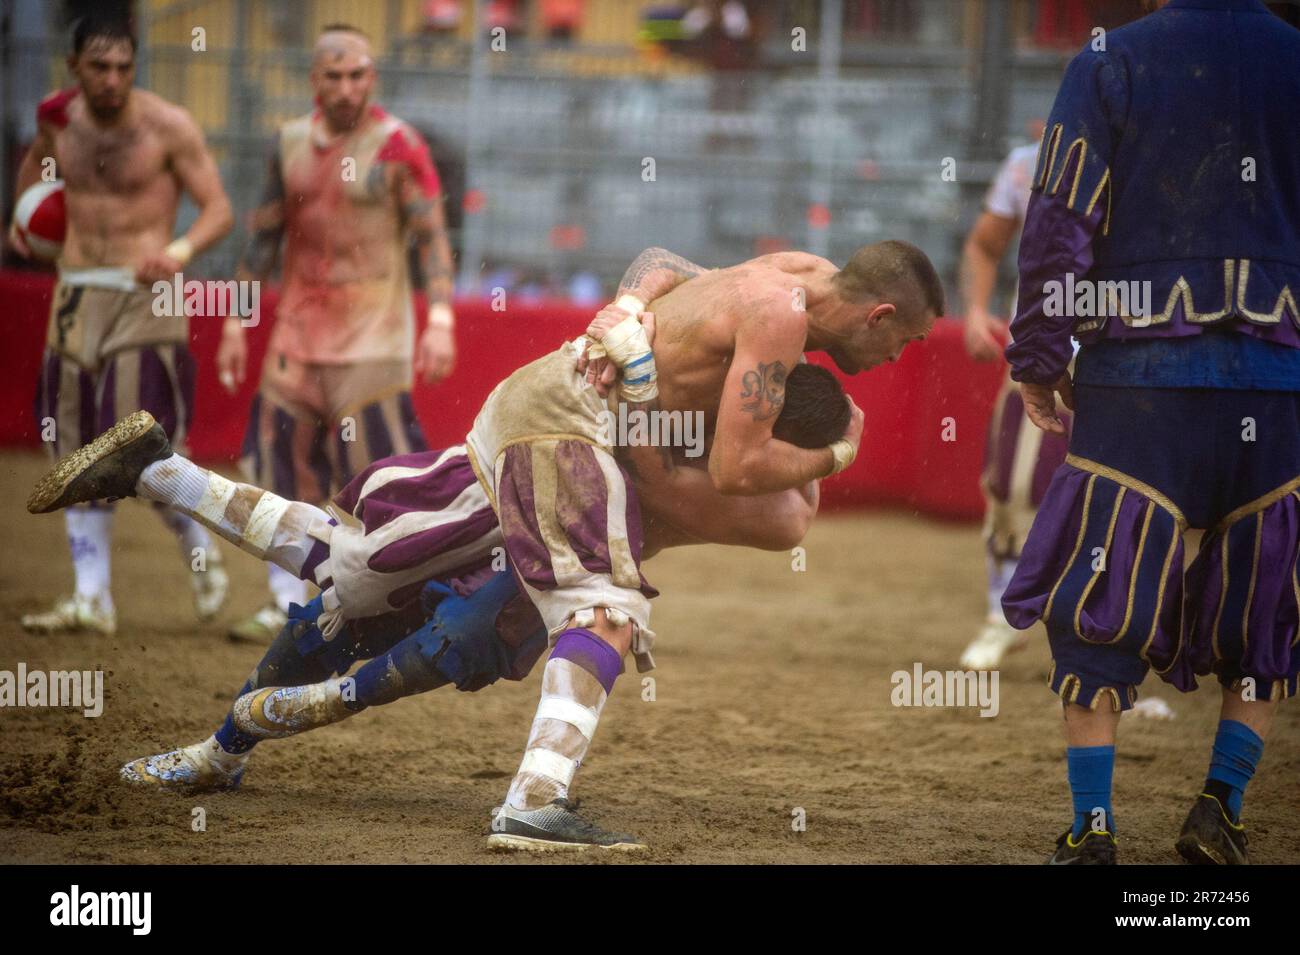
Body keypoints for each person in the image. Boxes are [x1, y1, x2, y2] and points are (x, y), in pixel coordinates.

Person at [30, 240, 944, 850]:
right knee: (593, 610)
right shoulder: (775, 350)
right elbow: (740, 470)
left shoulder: (782, 287)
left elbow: (666, 282)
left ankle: (163, 478)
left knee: (350, 566)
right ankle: (532, 801)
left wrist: (626, 317)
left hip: (529, 427)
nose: (896, 360)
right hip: (556, 459)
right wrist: (839, 447)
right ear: (874, 318)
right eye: (901, 343)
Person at [109, 363, 849, 846]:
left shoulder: (734, 468)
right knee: (347, 580)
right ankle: (232, 737)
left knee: (420, 620)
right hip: (497, 496)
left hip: (542, 545)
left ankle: (167, 479)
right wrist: (841, 441)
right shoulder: (750, 472)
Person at [998, 0, 1300, 865]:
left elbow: (1058, 223)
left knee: (1098, 601)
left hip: (1140, 384)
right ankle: (1221, 807)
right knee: (1269, 604)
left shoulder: (1111, 60)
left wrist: (1040, 352)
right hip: (1279, 386)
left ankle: (1094, 829)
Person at [218, 23, 457, 642]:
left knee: (379, 477)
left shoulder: (400, 145)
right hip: (297, 336)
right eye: (335, 76)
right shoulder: (289, 142)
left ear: (371, 79)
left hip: (373, 340)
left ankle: (403, 601)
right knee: (275, 463)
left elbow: (432, 237)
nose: (347, 88)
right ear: (314, 80)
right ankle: (286, 603)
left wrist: (439, 320)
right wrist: (236, 323)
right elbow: (264, 235)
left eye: (358, 76)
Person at [9, 15, 233, 636]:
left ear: (136, 67)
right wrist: (24, 224)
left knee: (136, 447)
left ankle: (200, 546)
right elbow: (34, 175)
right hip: (77, 290)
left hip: (147, 294)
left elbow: (218, 207)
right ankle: (92, 597)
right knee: (75, 448)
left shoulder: (168, 125)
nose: (112, 80)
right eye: (99, 67)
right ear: (74, 66)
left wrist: (180, 254)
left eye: (123, 67)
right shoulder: (57, 118)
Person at [958, 133, 1073, 670]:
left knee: (1127, 491)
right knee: (1012, 479)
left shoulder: (1148, 157)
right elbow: (985, 243)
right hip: (1039, 343)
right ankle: (1002, 612)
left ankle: (1121, 645)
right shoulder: (1028, 166)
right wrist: (977, 310)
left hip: (1128, 344)